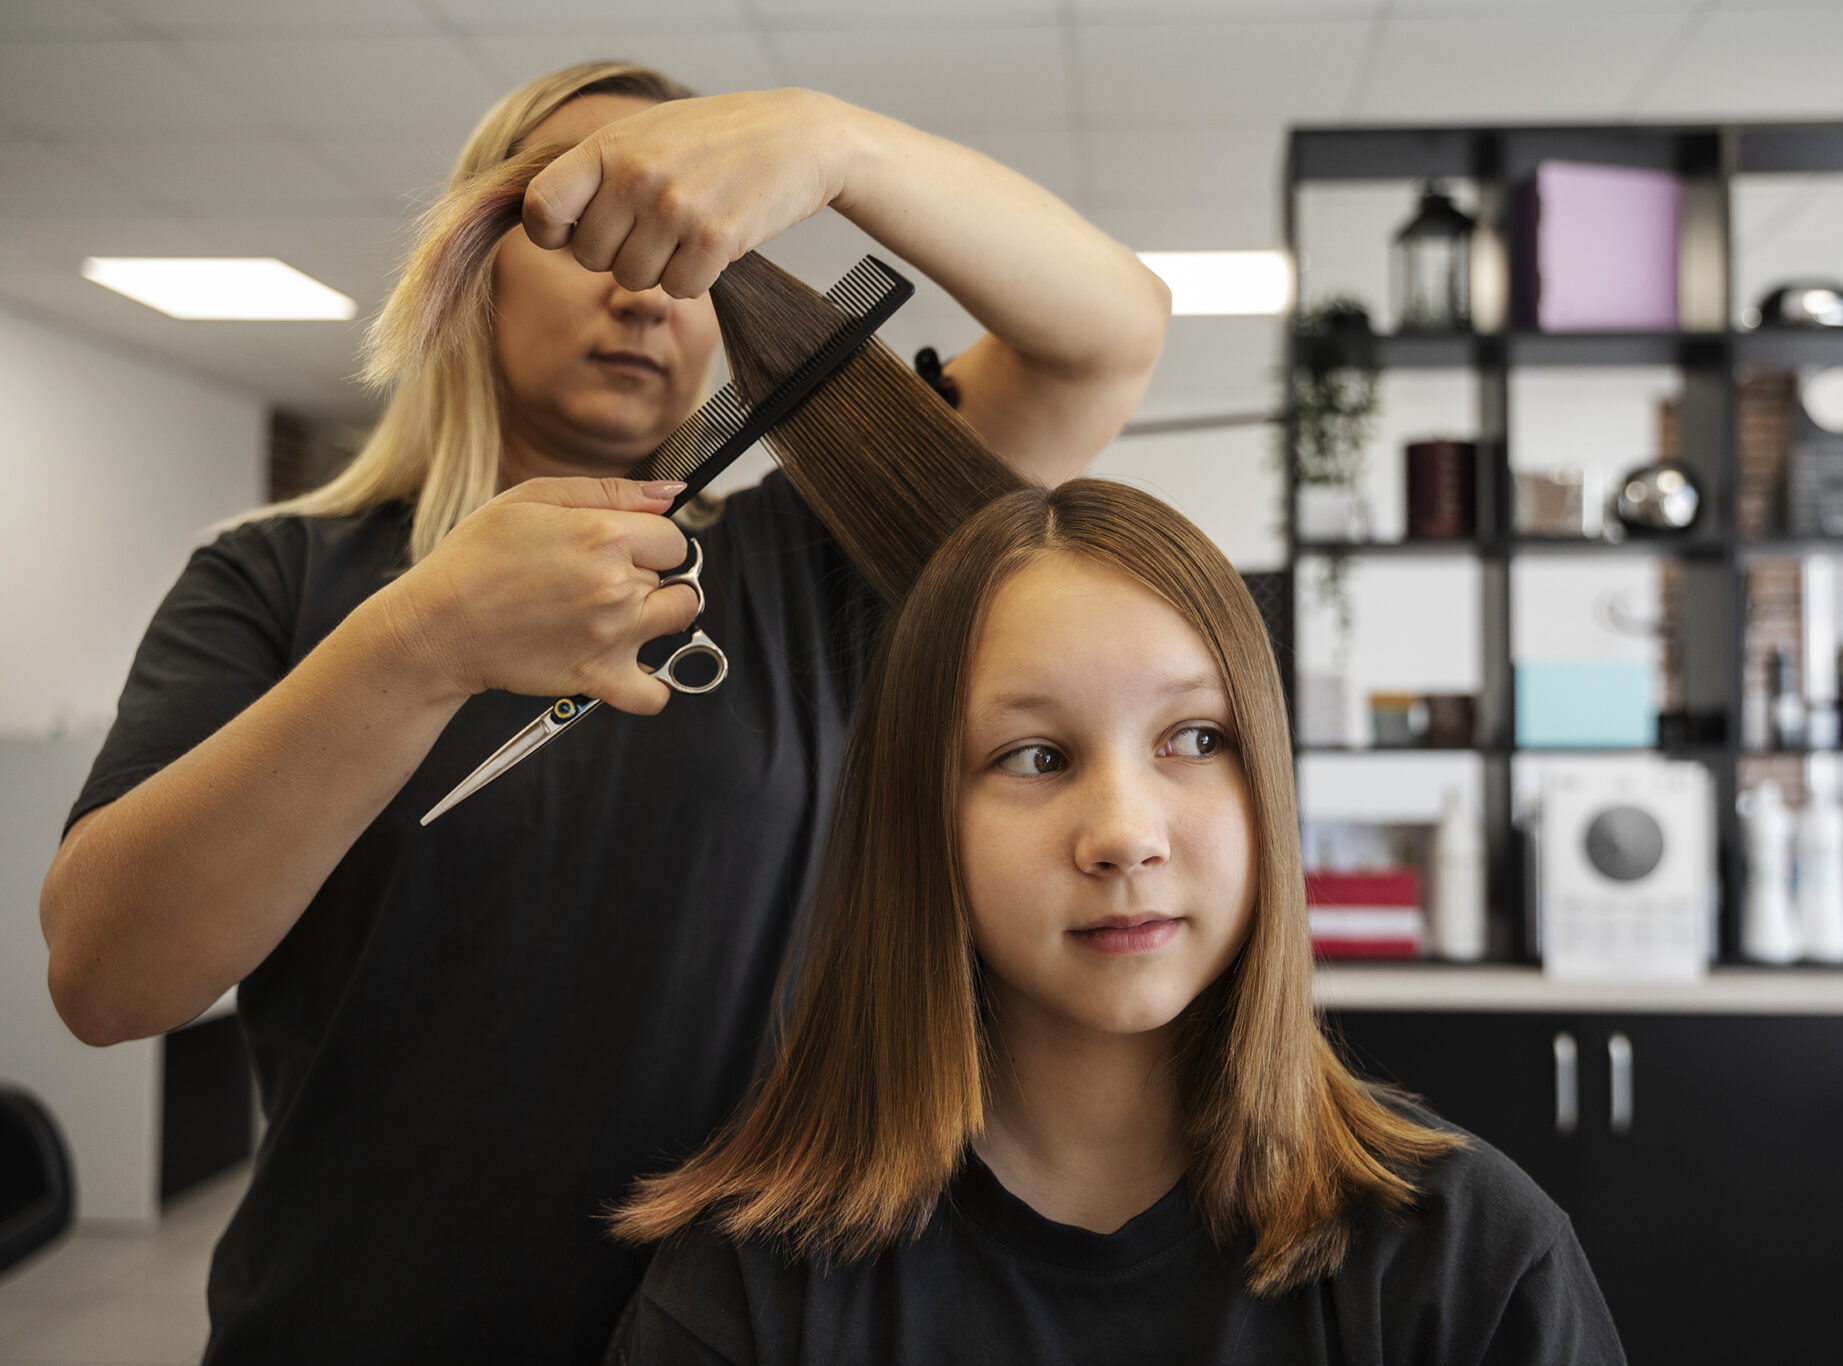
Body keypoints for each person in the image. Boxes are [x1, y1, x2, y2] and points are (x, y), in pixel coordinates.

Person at [37, 62, 1168, 1363]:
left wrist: (832, 141)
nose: (641, 287)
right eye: (583, 231)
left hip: (760, 1328)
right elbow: (108, 976)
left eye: (688, 245)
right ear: (479, 263)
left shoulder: (821, 555)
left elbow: (1111, 335)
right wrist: (421, 644)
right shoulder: (281, 578)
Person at [606, 480, 1627, 1365]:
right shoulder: (746, 1291)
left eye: (1192, 737)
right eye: (1035, 757)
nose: (1124, 835)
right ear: (920, 823)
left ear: (1264, 782)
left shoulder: (1476, 1262)